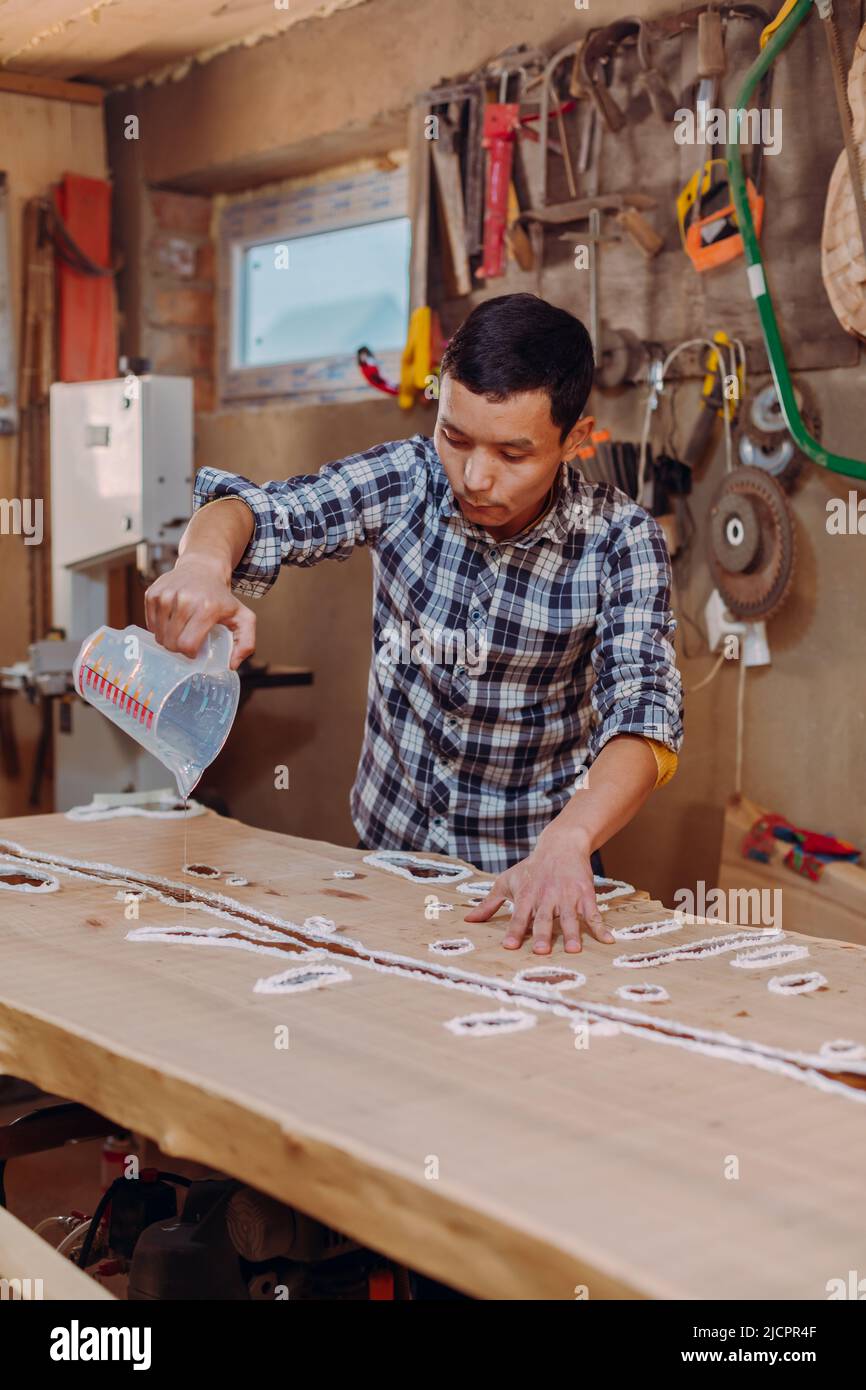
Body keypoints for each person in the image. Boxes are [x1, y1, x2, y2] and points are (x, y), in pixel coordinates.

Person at [146, 293, 683, 957]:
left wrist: (569, 841)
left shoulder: (619, 540)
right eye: (455, 438)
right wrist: (201, 565)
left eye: (514, 455)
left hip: (536, 868)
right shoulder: (408, 478)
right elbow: (254, 511)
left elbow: (643, 718)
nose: (475, 478)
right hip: (390, 860)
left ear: (576, 439)